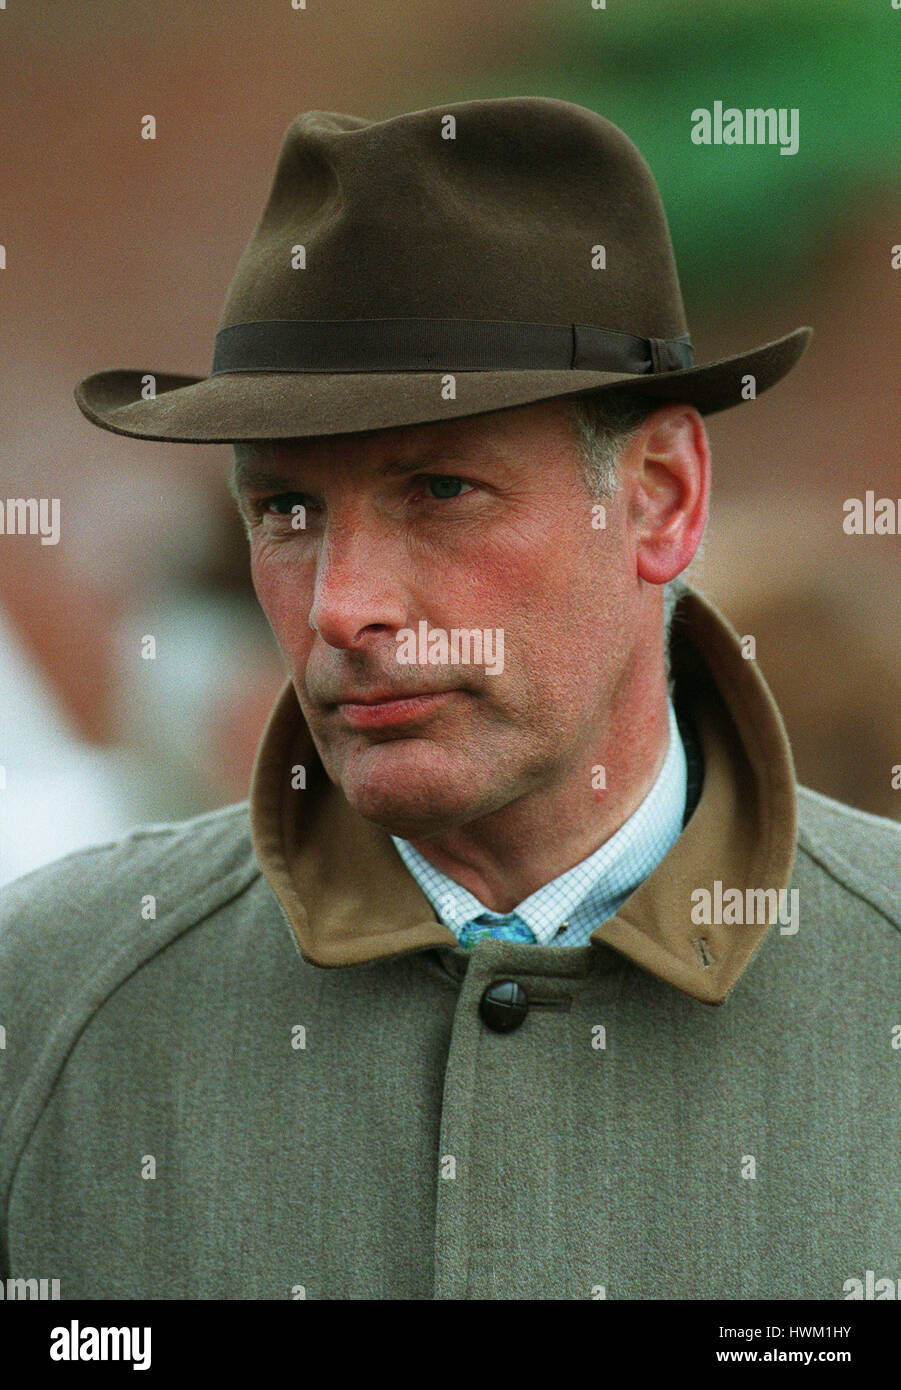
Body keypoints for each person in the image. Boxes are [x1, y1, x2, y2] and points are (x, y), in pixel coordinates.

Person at [1, 97, 899, 1301]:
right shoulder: (47, 1007)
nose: (339, 607)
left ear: (660, 498)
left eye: (439, 487)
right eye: (286, 510)